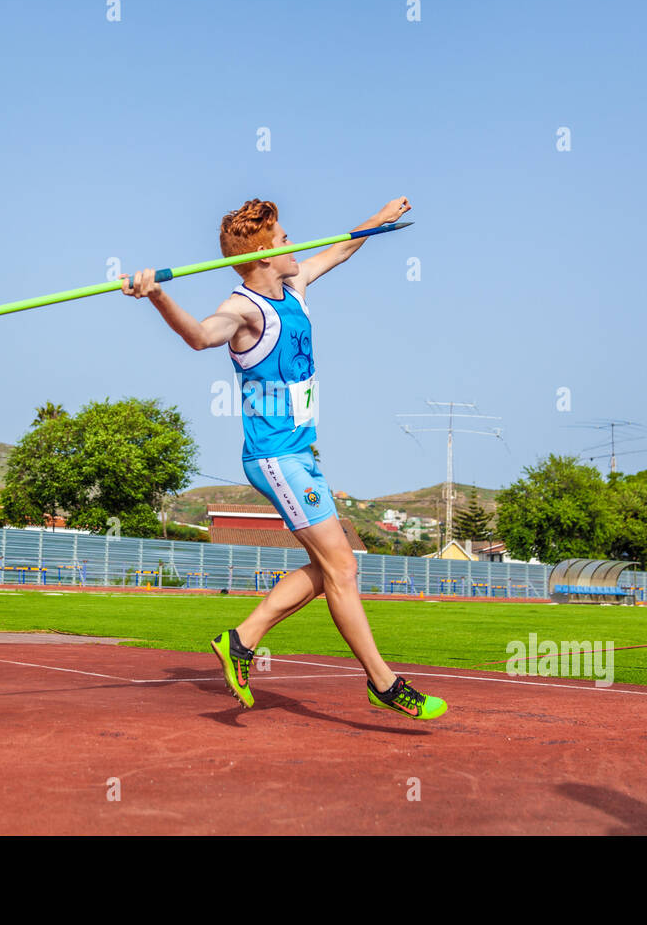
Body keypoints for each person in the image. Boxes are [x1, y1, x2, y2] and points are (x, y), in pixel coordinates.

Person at [121, 197, 446, 720]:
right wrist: (158, 294)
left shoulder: (293, 287)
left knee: (330, 567)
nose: (295, 242)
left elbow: (341, 249)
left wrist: (379, 219)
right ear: (265, 257)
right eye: (284, 239)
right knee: (341, 566)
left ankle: (242, 639)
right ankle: (384, 683)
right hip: (275, 457)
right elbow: (202, 336)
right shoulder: (244, 309)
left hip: (302, 453)